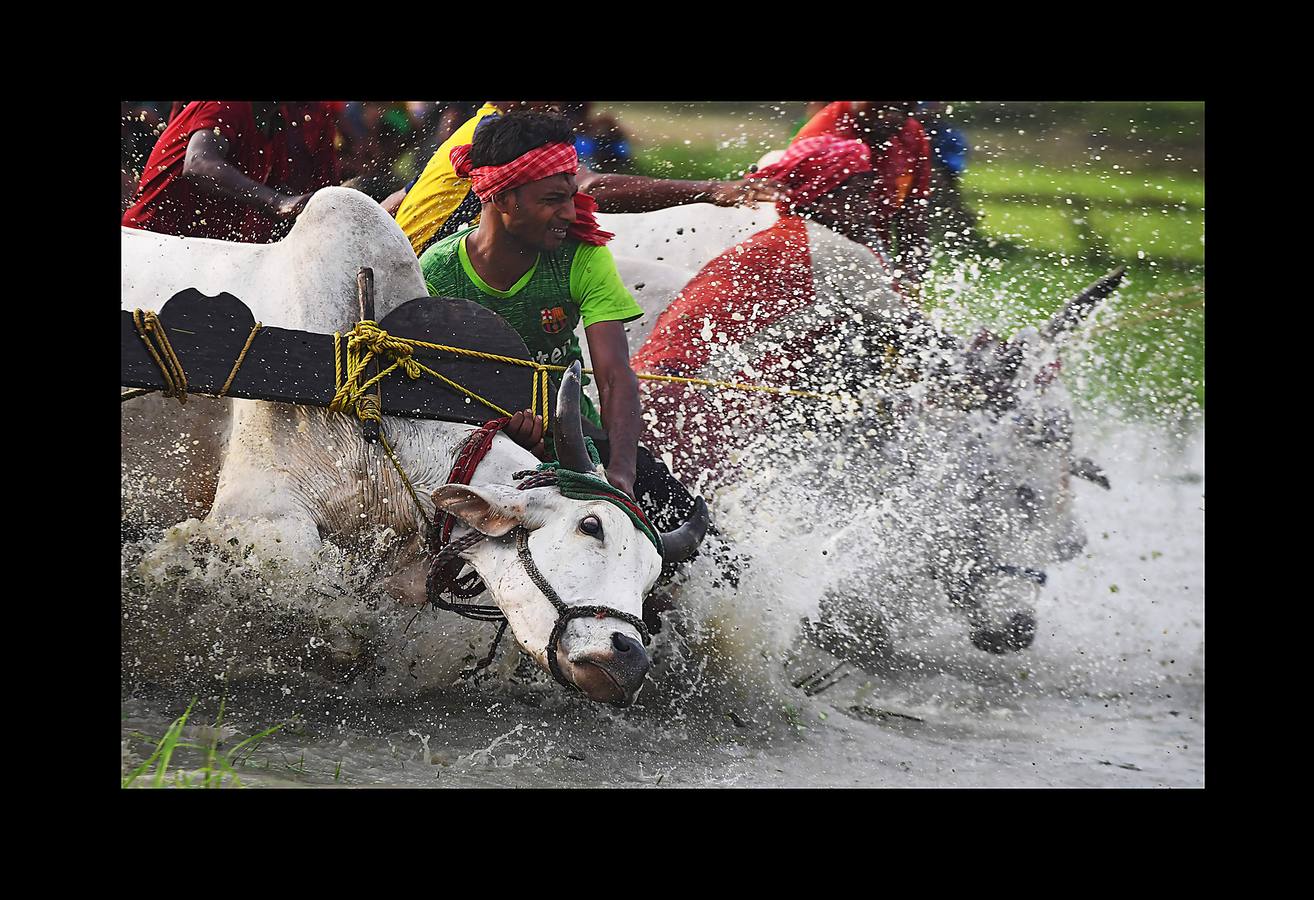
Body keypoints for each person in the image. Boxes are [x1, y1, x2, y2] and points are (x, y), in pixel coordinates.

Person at [416, 110, 695, 529]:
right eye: (552, 200)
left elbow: (615, 376)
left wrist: (622, 473)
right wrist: (500, 430)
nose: (570, 213)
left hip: (576, 440)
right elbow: (429, 393)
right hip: (472, 443)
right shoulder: (437, 273)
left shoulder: (581, 255)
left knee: (676, 518)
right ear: (501, 197)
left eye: (570, 195)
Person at [632, 135, 954, 480]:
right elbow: (922, 340)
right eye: (859, 191)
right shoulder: (837, 253)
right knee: (704, 521)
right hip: (692, 398)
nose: (872, 202)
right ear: (824, 193)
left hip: (645, 389)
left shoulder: (782, 237)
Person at [390, 101, 788, 257]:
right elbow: (589, 187)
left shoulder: (482, 126)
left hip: (408, 259)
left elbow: (398, 200)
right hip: (425, 280)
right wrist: (714, 191)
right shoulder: (505, 134)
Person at [122, 101, 316, 243]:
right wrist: (277, 202)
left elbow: (272, 190)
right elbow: (198, 164)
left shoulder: (276, 120)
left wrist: (321, 201)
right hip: (150, 244)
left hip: (200, 257)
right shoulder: (226, 104)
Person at [792, 101, 933, 283]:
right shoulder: (826, 133)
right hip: (820, 242)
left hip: (871, 242)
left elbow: (914, 203)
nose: (893, 117)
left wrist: (912, 265)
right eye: (884, 109)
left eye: (903, 110)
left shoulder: (911, 133)